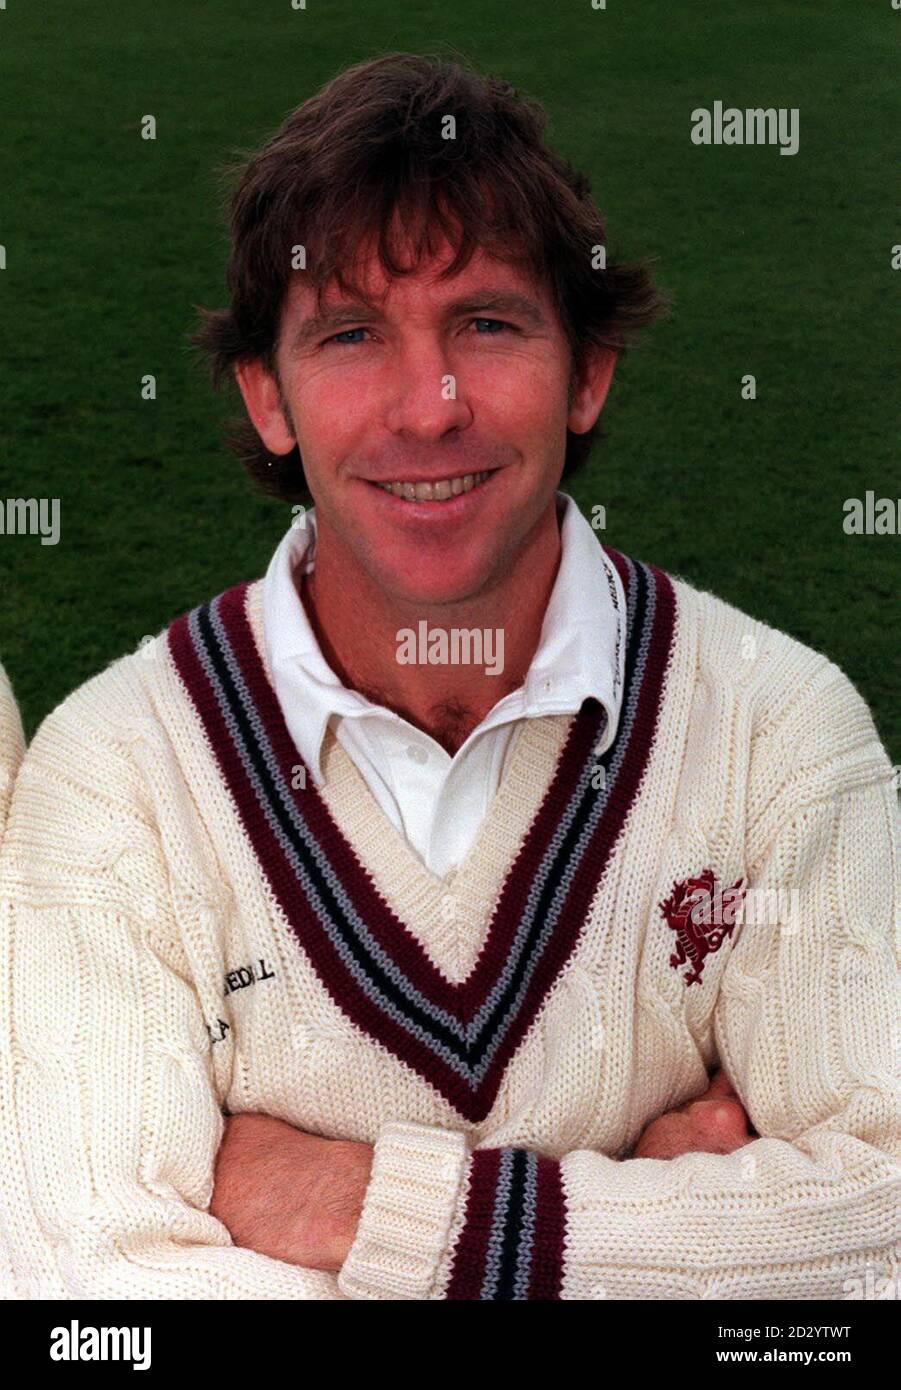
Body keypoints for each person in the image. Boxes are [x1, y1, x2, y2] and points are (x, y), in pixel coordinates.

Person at [0, 53, 897, 1301]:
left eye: (485, 323)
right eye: (351, 335)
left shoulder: (777, 729)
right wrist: (663, 1239)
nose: (427, 410)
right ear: (268, 399)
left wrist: (361, 1206)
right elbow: (86, 1297)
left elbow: (881, 1226)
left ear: (587, 370)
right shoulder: (118, 773)